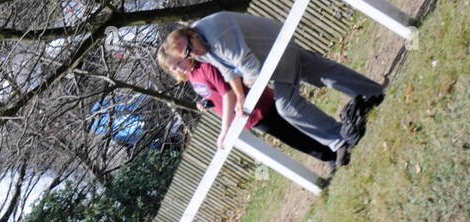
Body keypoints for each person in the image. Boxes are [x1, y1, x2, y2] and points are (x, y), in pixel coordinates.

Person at [163, 15, 384, 166]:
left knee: (286, 106)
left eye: (190, 48)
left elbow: (248, 66)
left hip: (277, 49)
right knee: (321, 72)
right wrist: (240, 97)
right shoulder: (201, 48)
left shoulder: (217, 36)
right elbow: (227, 69)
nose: (193, 54)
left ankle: (338, 139)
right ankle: (372, 92)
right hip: (272, 53)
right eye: (187, 55)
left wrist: (246, 90)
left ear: (191, 33)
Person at [156, 43, 337, 166]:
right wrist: (206, 103)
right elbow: (215, 94)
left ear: (183, 54)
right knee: (292, 137)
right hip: (249, 118)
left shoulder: (205, 67)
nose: (179, 68)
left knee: (296, 131)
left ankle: (332, 151)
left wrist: (224, 130)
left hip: (259, 107)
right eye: (174, 68)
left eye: (179, 61)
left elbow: (228, 94)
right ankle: (330, 153)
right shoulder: (193, 77)